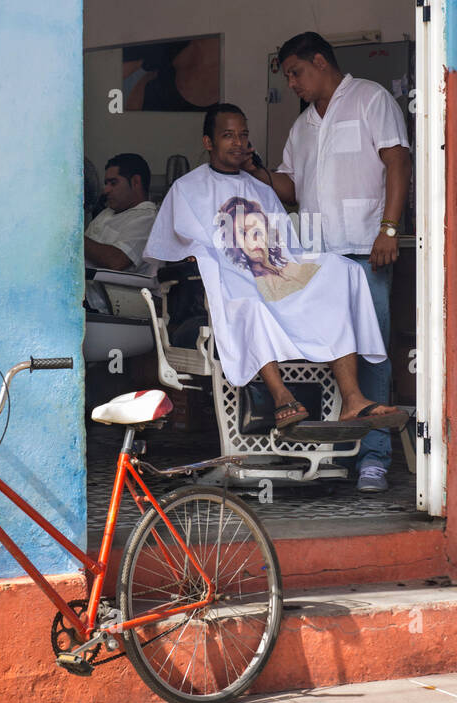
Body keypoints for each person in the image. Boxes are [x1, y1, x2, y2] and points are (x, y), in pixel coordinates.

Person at [144, 103, 408, 434]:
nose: (238, 143)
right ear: (208, 142)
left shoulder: (261, 189)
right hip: (225, 287)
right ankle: (282, 397)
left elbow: (286, 248)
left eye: (243, 135)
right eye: (228, 136)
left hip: (271, 276)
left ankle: (353, 399)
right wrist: (213, 264)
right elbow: (175, 250)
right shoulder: (187, 189)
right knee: (250, 302)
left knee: (339, 272)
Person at [245, 33, 412, 492]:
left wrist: (390, 228)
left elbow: (398, 163)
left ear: (321, 61)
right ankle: (339, 449)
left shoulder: (370, 99)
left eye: (296, 72)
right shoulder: (302, 127)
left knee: (371, 351)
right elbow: (291, 189)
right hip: (317, 257)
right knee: (325, 349)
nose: (293, 83)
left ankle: (374, 458)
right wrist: (257, 172)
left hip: (364, 248)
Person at [85, 153, 158, 280]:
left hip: (111, 299)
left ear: (135, 182)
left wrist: (73, 238)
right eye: (106, 184)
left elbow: (117, 261)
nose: (106, 190)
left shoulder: (148, 218)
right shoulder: (106, 213)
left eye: (113, 183)